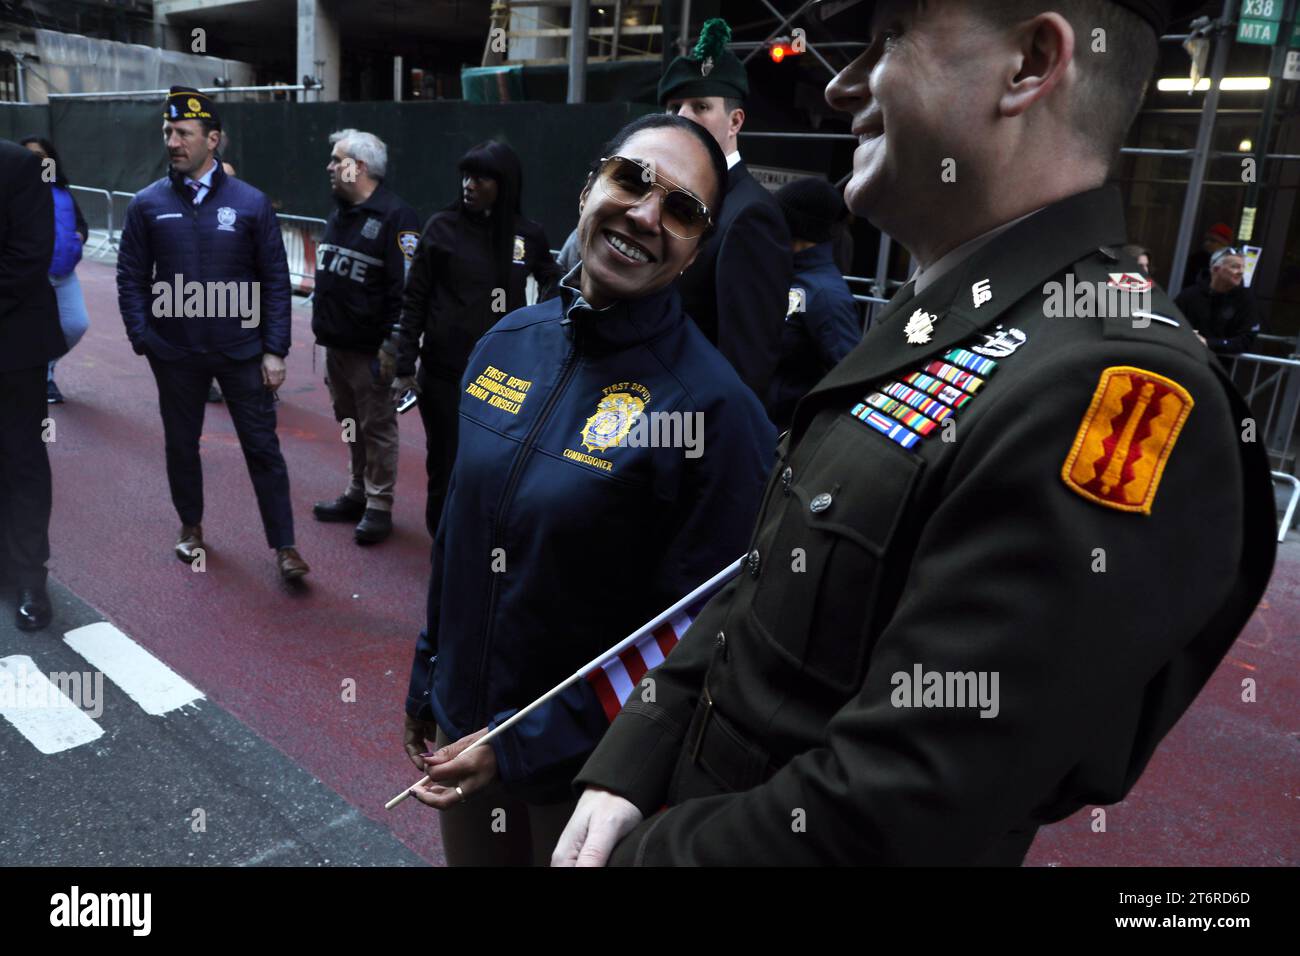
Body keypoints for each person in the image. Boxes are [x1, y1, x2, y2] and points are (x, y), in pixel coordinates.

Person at [555, 0, 1276, 867]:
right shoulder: (956, 318)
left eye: (888, 38)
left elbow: (896, 807)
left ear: (1031, 65)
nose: (839, 86)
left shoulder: (1117, 391)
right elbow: (766, 579)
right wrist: (642, 748)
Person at [400, 114, 776, 866]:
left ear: (696, 248)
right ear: (589, 187)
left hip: (589, 777)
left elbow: (700, 636)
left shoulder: (715, 412)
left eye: (681, 209)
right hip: (461, 734)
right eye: (631, 180)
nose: (645, 214)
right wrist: (427, 675)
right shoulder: (505, 342)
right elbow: (461, 537)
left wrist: (523, 742)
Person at [116, 87, 309, 582]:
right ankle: (191, 527)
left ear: (212, 139)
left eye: (183, 133)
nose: (173, 142)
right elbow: (131, 277)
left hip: (241, 353)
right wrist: (144, 338)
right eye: (167, 132)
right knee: (182, 444)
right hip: (175, 354)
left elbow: (275, 281)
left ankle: (284, 546)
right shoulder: (146, 205)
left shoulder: (251, 204)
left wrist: (274, 349)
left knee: (262, 448)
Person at [387, 141, 562, 537]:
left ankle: (484, 544)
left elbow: (555, 278)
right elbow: (414, 299)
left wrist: (541, 323)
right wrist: (403, 367)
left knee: (497, 464)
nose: (468, 185)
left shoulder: (527, 235)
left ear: (504, 184)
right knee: (445, 466)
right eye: (465, 176)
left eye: (480, 178)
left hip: (502, 378)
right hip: (444, 375)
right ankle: (445, 546)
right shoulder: (441, 227)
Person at [660, 17, 793, 410]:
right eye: (673, 106)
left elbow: (745, 364)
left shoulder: (750, 215)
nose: (682, 117)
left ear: (735, 121)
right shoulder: (672, 199)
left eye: (700, 106)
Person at [310, 129, 420, 544]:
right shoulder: (339, 214)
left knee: (377, 427)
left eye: (337, 160)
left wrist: (393, 349)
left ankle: (379, 504)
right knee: (350, 422)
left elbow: (406, 290)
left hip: (371, 352)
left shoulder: (396, 217)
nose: (330, 167)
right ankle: (357, 491)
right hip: (336, 348)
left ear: (360, 167)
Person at [0, 139, 67, 630]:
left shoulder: (21, 165)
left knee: (21, 458)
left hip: (13, 345)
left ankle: (29, 578)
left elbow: (27, 259)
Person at [766, 176, 863, 430]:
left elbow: (849, 379)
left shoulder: (825, 295)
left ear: (792, 224)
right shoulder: (785, 274)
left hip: (785, 439)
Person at [20, 136, 90, 405]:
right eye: (31, 155)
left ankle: (46, 368)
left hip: (64, 273)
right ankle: (41, 379)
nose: (38, 160)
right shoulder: (15, 190)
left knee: (76, 324)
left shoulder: (62, 190)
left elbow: (81, 223)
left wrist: (78, 238)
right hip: (32, 276)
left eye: (42, 155)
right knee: (31, 331)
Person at [1175, 246, 1261, 355]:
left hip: (1221, 367)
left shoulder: (1245, 299)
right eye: (1235, 267)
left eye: (1243, 267)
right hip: (1188, 360)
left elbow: (1247, 340)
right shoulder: (1189, 296)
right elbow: (1173, 324)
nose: (1241, 272)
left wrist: (1209, 343)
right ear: (1216, 269)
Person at [1182, 222, 1232, 289]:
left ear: (1223, 245)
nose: (1207, 243)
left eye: (1213, 241)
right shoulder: (1195, 260)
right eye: (1206, 240)